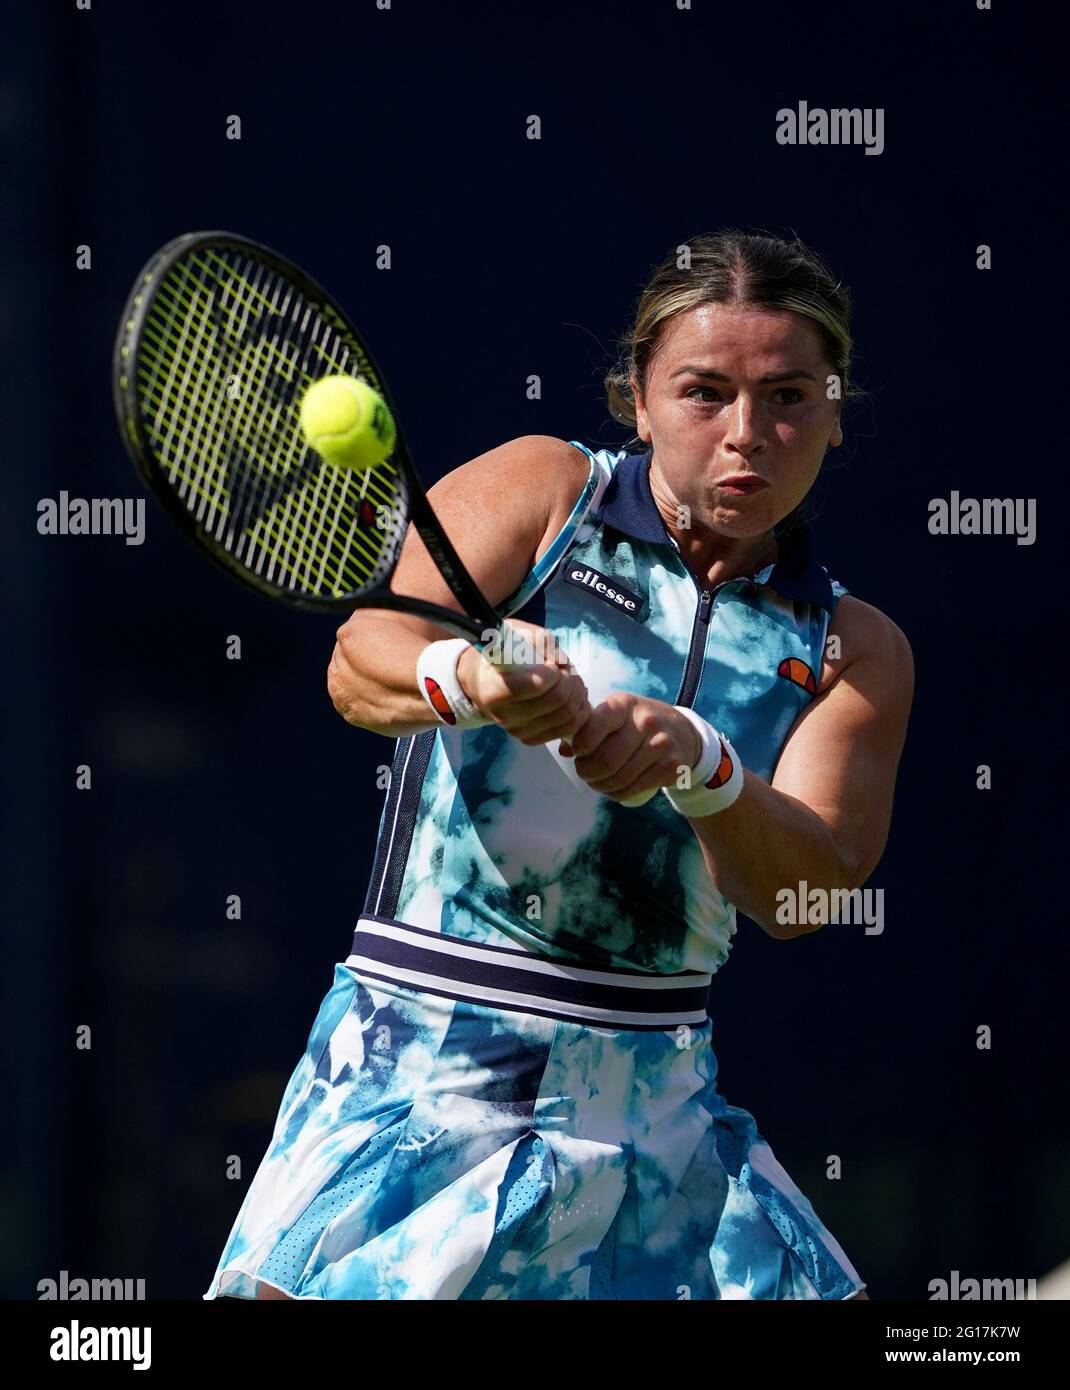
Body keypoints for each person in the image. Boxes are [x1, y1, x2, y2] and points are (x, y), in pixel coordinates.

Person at [203, 230, 913, 1301]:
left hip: (657, 1120)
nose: (745, 434)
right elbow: (361, 665)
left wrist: (706, 766)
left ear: (834, 409)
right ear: (635, 397)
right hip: (420, 1074)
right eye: (703, 392)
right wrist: (470, 680)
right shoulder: (547, 491)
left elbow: (804, 888)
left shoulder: (851, 646)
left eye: (787, 397)